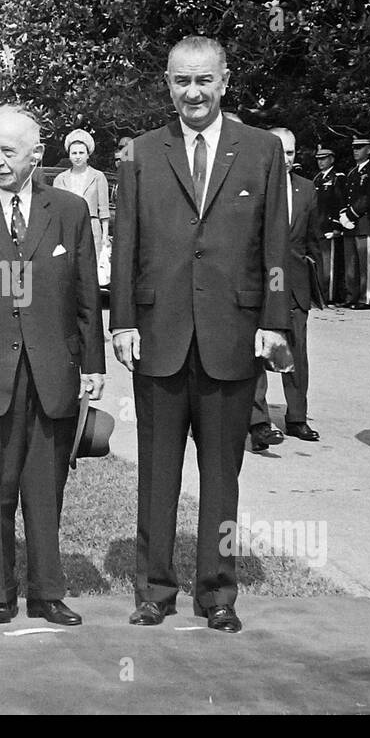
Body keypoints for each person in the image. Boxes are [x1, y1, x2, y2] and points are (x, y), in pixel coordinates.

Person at [111, 35, 291, 633]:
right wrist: (124, 322)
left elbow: (275, 245)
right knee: (156, 474)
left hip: (232, 337)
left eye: (203, 81)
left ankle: (218, 593)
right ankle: (154, 590)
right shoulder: (139, 153)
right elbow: (127, 242)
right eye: (182, 81)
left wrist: (273, 321)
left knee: (222, 476)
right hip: (158, 336)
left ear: (224, 81)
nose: (193, 92)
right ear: (168, 84)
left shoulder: (263, 150)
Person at [0, 105, 106, 624]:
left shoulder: (70, 211)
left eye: (10, 151)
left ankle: (48, 592)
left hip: (52, 370)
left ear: (38, 154)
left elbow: (85, 297)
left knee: (44, 487)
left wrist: (93, 365)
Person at [250, 128, 323, 451]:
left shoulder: (307, 190)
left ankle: (297, 418)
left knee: (297, 354)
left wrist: (313, 281)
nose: (285, 159)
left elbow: (313, 240)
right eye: (279, 151)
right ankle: (259, 422)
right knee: (257, 353)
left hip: (294, 285)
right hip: (258, 284)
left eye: (291, 153)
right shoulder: (250, 186)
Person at [337, 134, 370, 308]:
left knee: (365, 263)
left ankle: (365, 298)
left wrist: (350, 215)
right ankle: (351, 297)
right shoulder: (352, 172)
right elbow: (344, 196)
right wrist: (342, 214)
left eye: (360, 148)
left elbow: (368, 198)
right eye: (354, 148)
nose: (355, 151)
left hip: (363, 222)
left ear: (369, 150)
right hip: (349, 223)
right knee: (351, 263)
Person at [52, 128, 111, 262]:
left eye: (81, 152)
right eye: (74, 153)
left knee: (90, 268)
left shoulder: (98, 177)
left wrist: (105, 236)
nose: (77, 156)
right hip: (67, 229)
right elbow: (54, 212)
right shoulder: (60, 179)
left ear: (88, 155)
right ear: (69, 155)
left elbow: (104, 209)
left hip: (92, 227)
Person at [312, 146, 345, 304]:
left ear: (332, 159)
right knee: (319, 263)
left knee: (329, 265)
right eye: (318, 159)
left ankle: (330, 296)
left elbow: (340, 203)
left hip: (330, 225)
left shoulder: (337, 177)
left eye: (324, 158)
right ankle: (320, 295)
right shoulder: (317, 178)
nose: (320, 162)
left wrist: (337, 227)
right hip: (318, 226)